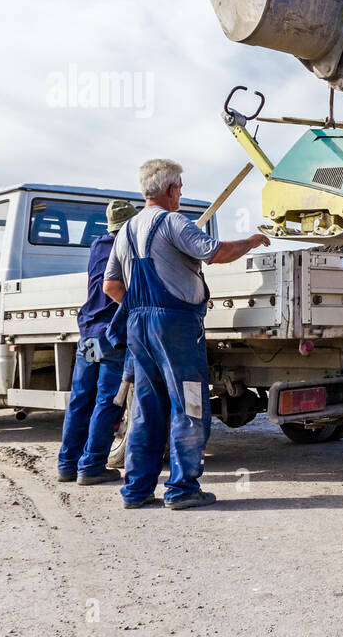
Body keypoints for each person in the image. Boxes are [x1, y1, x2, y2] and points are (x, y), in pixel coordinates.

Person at [102, 159, 269, 509]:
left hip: (139, 327)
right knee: (190, 404)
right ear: (169, 189)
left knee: (147, 410)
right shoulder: (173, 222)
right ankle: (182, 489)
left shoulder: (127, 231)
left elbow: (112, 285)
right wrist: (253, 240)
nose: (181, 191)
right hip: (176, 327)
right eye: (180, 186)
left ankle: (136, 490)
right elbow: (217, 253)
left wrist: (138, 307)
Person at [56, 199, 137, 484]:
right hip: (111, 336)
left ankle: (67, 464)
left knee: (81, 398)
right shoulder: (129, 247)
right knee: (108, 401)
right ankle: (91, 467)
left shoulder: (98, 246)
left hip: (88, 334)